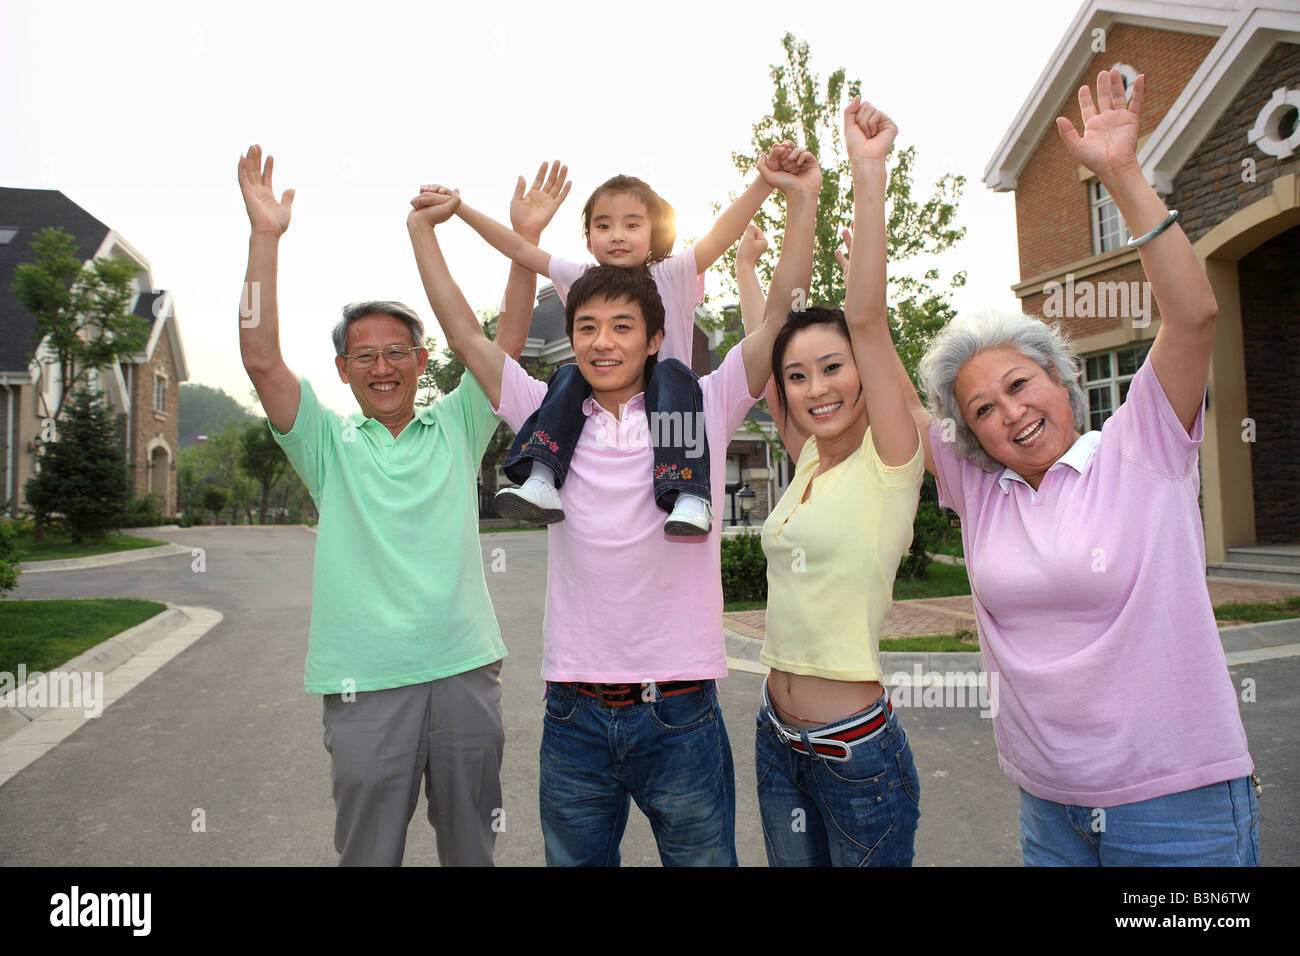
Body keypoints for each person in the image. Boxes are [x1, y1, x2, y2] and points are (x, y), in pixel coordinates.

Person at [406, 146, 821, 866]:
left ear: (657, 339)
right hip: (574, 711)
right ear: (571, 340)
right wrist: (426, 233)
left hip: (681, 708)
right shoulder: (546, 415)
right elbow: (465, 337)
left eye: (623, 327)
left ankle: (682, 498)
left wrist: (799, 199)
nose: (604, 343)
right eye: (588, 328)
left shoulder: (705, 405)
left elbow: (779, 311)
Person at [905, 71, 1257, 865]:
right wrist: (862, 184)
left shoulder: (1143, 446)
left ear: (1062, 380)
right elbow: (872, 357)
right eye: (982, 410)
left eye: (1019, 385)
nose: (1009, 414)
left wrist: (1122, 174)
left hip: (1177, 804)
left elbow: (1194, 313)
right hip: (1051, 808)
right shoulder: (979, 489)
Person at [237, 148, 569, 866]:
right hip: (364, 685)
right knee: (369, 856)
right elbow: (262, 360)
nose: (382, 367)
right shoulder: (327, 441)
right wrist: (265, 237)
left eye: (397, 352)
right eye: (365, 356)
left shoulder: (455, 422)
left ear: (423, 362)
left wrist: (525, 244)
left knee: (471, 850)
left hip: (463, 673)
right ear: (343, 371)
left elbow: (503, 346)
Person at [738, 98, 925, 866]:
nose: (817, 388)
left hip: (855, 756)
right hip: (776, 741)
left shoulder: (892, 455)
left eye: (834, 367)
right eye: (799, 377)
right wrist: (751, 265)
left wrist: (867, 174)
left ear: (863, 371)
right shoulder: (809, 454)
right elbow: (768, 338)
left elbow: (869, 317)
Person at [446, 154, 792, 535]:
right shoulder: (582, 280)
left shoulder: (672, 273)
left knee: (672, 373)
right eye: (603, 225)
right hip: (606, 392)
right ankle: (542, 478)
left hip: (669, 408)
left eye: (632, 225)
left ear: (652, 233)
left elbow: (720, 235)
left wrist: (764, 181)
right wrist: (460, 208)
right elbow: (519, 250)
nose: (617, 235)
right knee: (568, 375)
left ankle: (691, 496)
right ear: (590, 238)